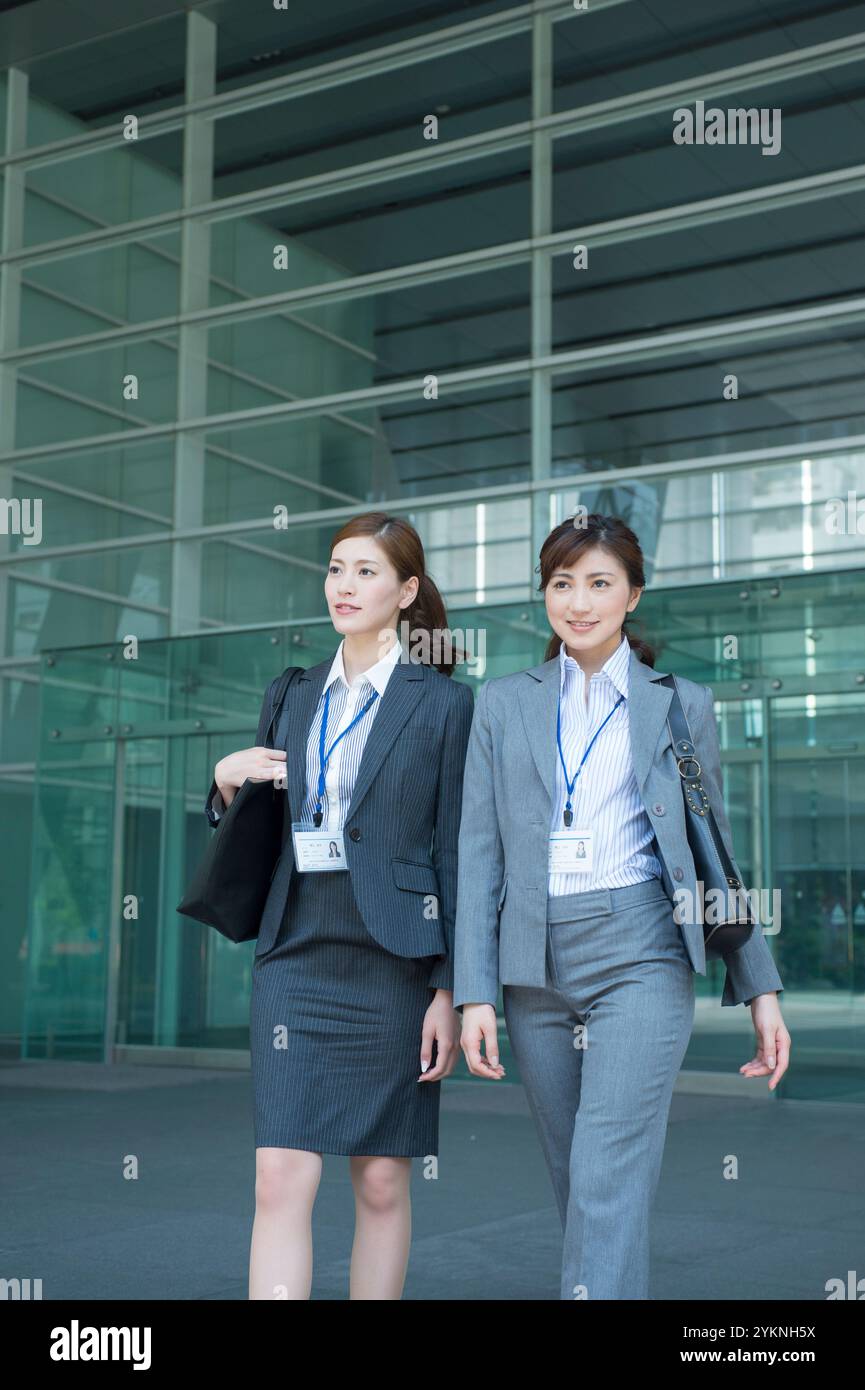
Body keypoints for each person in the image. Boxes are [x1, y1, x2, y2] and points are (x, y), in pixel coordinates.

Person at [453, 512, 791, 1301]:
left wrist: (760, 986)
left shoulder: (679, 704)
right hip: (532, 960)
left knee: (605, 1163)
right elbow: (477, 856)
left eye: (599, 583)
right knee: (579, 1173)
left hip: (641, 947)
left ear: (632, 594)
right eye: (562, 584)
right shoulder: (501, 705)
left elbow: (713, 848)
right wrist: (473, 991)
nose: (578, 601)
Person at [205, 511, 473, 1299]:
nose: (344, 586)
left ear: (406, 590)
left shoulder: (445, 704)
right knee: (279, 1178)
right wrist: (223, 783)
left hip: (395, 962)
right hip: (295, 951)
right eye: (334, 569)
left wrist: (449, 988)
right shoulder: (290, 692)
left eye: (364, 571)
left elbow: (457, 850)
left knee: (383, 1180)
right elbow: (258, 827)